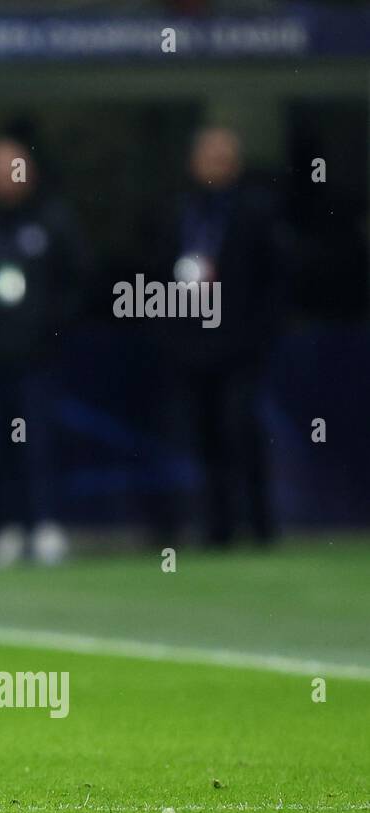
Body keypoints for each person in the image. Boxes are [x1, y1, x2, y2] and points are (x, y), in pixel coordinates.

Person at [147, 126, 287, 548]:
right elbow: (157, 278)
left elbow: (276, 280)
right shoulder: (180, 213)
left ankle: (261, 526)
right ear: (193, 163)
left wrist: (261, 335)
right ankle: (218, 528)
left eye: (224, 158)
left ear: (237, 164)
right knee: (205, 437)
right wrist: (171, 334)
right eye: (209, 157)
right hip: (193, 347)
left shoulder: (254, 213)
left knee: (240, 430)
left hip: (240, 346)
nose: (216, 165)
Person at [0, 136, 89, 567]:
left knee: (39, 442)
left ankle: (47, 525)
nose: (5, 177)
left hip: (39, 361)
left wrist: (49, 330)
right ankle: (10, 526)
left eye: (12, 167)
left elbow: (78, 283)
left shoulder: (53, 223)